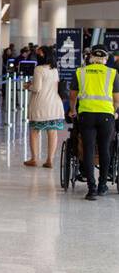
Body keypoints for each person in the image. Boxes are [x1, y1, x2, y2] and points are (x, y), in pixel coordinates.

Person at [68, 46, 119, 200]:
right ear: (105, 58)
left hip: (86, 115)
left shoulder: (80, 72)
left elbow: (72, 96)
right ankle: (103, 185)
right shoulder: (113, 73)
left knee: (88, 150)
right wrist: (115, 112)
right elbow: (117, 99)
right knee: (105, 149)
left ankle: (92, 189)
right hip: (106, 116)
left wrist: (72, 110)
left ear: (90, 57)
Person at [24, 47, 65, 169]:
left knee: (34, 132)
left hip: (40, 105)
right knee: (52, 132)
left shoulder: (38, 69)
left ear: (44, 55)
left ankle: (34, 159)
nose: (37, 54)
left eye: (39, 53)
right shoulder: (54, 69)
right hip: (54, 105)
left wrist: (28, 86)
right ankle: (49, 160)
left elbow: (37, 88)